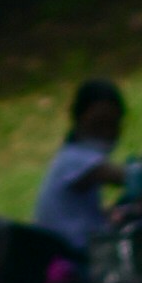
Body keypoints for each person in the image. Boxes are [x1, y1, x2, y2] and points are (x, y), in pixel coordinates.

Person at [31, 79, 132, 264]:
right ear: (78, 120)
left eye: (112, 125)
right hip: (72, 257)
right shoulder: (74, 159)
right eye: (97, 124)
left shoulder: (71, 156)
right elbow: (129, 177)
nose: (106, 132)